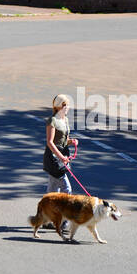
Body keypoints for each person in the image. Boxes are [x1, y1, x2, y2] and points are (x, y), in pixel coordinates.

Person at [43, 93, 78, 236]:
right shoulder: (52, 120)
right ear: (61, 106)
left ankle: (46, 219)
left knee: (52, 191)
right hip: (54, 159)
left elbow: (63, 140)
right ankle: (63, 221)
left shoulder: (65, 120)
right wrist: (61, 157)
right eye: (67, 105)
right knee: (66, 189)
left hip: (62, 156)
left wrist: (71, 141)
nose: (68, 107)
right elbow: (50, 142)